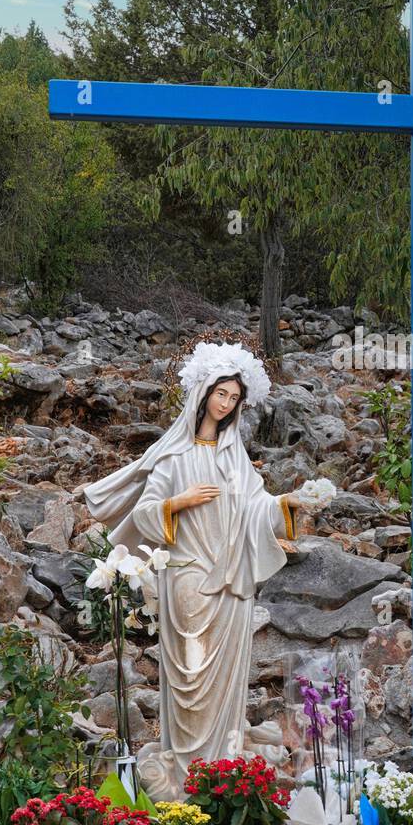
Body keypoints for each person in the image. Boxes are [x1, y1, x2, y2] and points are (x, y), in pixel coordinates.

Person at [82, 341, 301, 797]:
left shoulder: (235, 458)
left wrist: (285, 505)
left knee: (226, 683)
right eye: (221, 394)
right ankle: (184, 774)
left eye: (234, 399)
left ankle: (221, 769)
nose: (226, 404)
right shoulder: (174, 456)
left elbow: (258, 508)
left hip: (231, 585)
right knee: (190, 676)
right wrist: (179, 502)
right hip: (187, 578)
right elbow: (146, 512)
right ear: (204, 394)